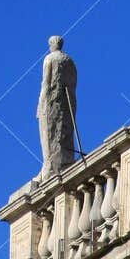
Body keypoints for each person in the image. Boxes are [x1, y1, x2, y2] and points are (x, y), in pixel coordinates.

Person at [36, 36, 77, 180]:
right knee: (65, 132)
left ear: (53, 44)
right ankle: (65, 161)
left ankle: (50, 167)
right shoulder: (70, 62)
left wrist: (41, 104)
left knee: (49, 133)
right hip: (68, 103)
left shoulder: (49, 59)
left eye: (49, 44)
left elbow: (45, 83)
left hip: (51, 101)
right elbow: (73, 85)